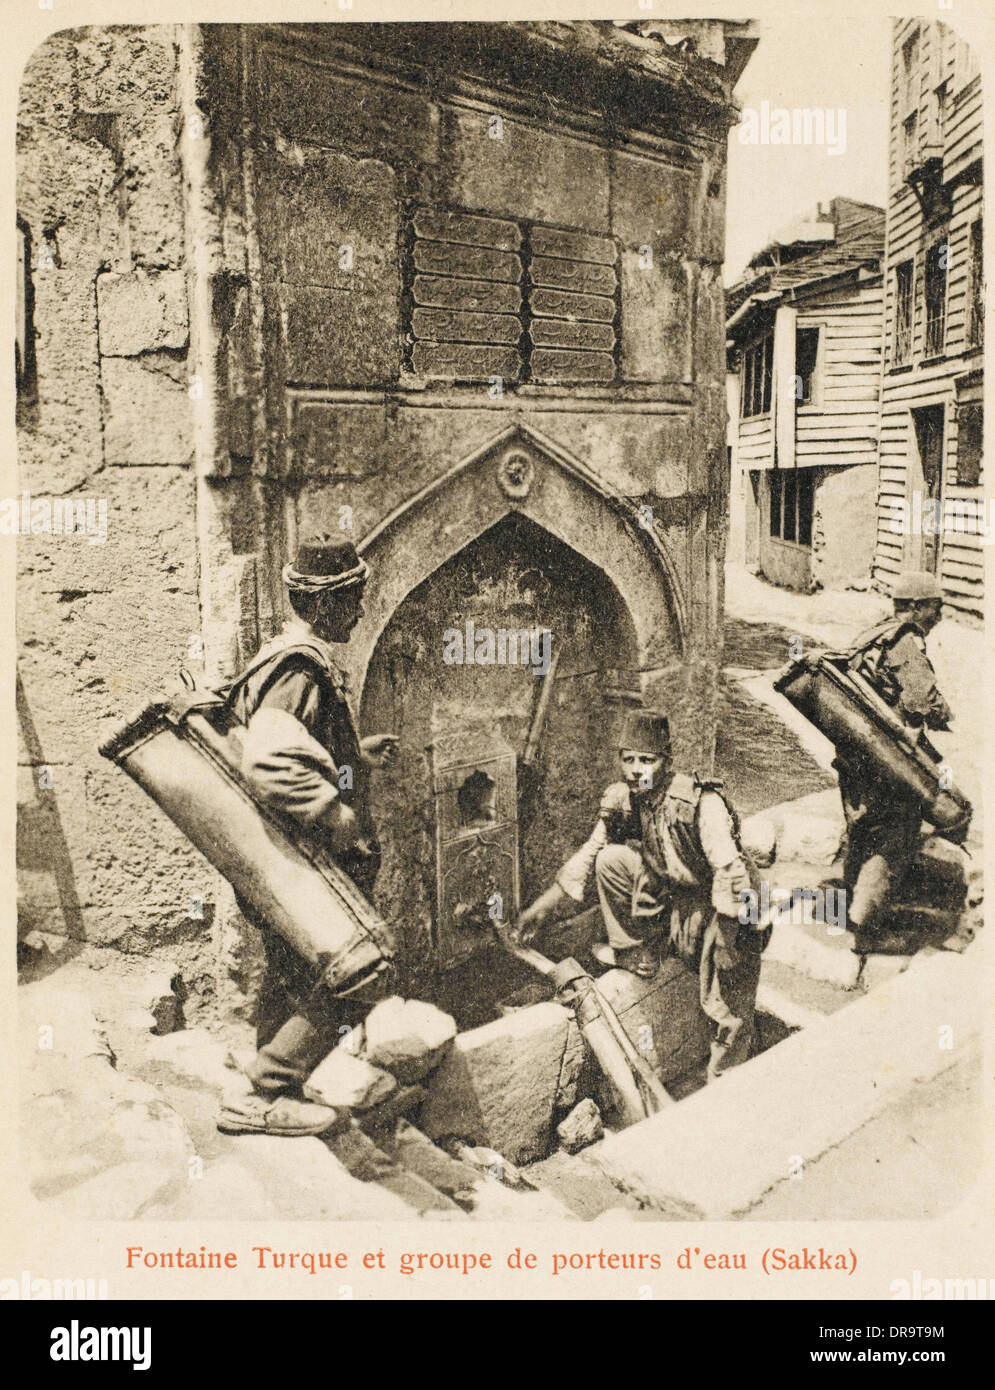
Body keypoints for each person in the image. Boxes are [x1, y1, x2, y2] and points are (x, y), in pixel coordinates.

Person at [216, 534, 399, 1137]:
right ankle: (260, 1095)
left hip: (277, 860)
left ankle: (272, 1077)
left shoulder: (281, 654)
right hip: (305, 861)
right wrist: (335, 812)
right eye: (355, 599)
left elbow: (292, 742)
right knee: (358, 972)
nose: (362, 610)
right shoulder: (300, 668)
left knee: (295, 972)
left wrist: (352, 754)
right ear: (325, 605)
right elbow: (269, 761)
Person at [515, 709, 770, 1081]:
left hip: (732, 910)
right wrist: (539, 908)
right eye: (629, 759)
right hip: (681, 899)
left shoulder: (700, 803)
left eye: (647, 760)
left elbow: (732, 873)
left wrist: (726, 941)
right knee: (611, 860)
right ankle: (638, 951)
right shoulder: (627, 797)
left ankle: (726, 1079)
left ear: (666, 762)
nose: (636, 769)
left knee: (724, 995)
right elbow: (590, 854)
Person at [832, 570, 953, 955]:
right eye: (936, 607)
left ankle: (851, 912)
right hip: (884, 761)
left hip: (857, 754)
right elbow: (921, 701)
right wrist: (943, 711)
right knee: (895, 834)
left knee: (863, 830)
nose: (940, 615)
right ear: (917, 607)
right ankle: (869, 931)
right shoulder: (904, 643)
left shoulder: (876, 633)